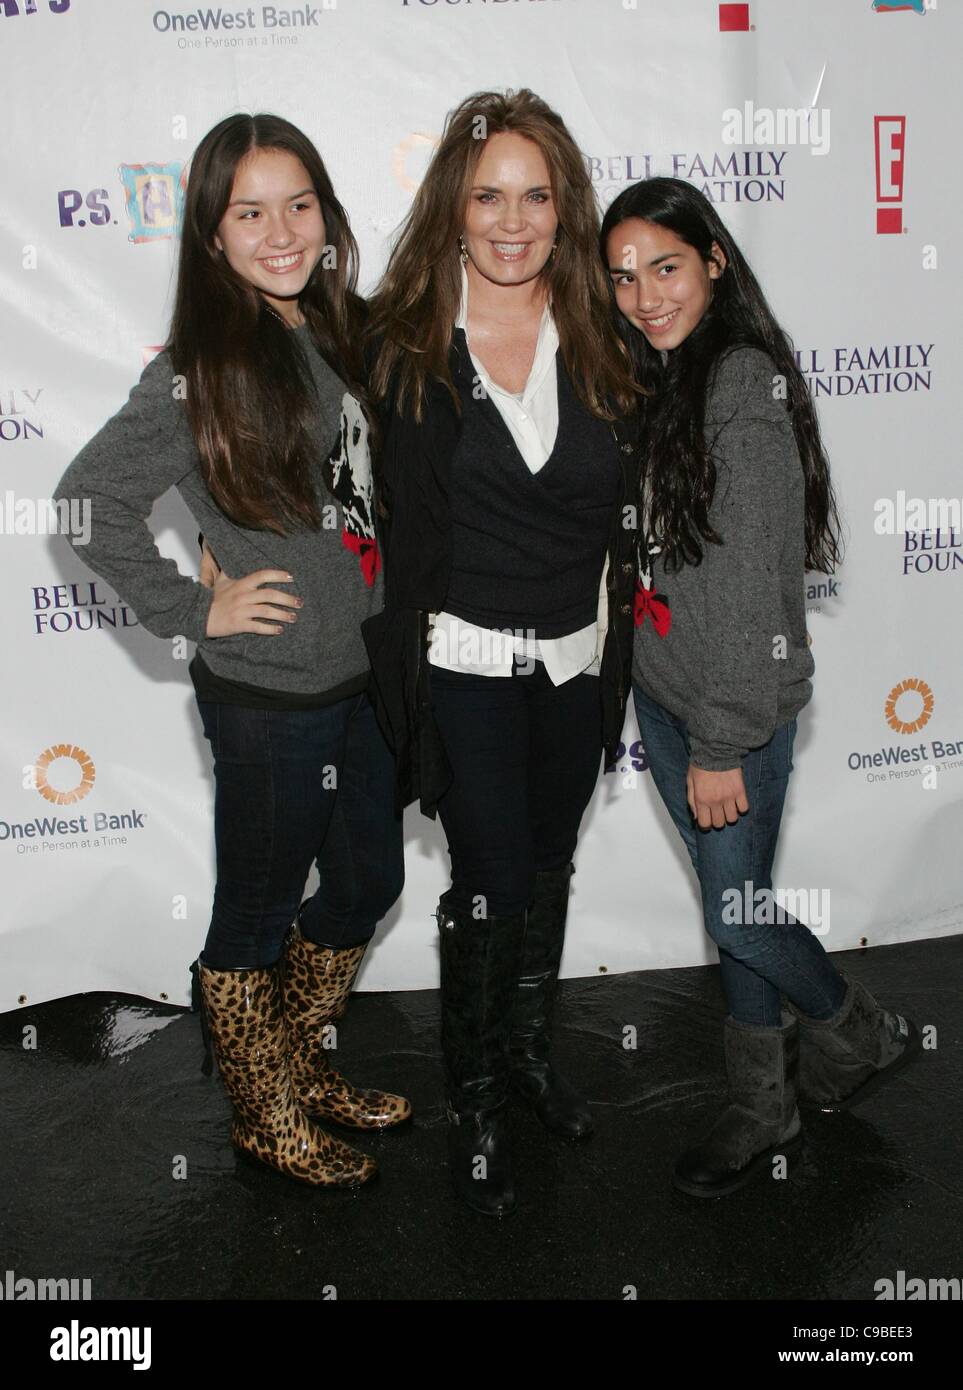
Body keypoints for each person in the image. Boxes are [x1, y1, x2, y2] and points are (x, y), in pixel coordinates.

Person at [53, 113, 408, 1188]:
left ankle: (296, 1059)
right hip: (268, 699)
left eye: (299, 204)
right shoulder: (197, 371)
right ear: (211, 235)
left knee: (365, 882)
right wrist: (187, 607)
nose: (280, 230)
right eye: (248, 212)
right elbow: (83, 503)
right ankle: (261, 1108)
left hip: (362, 677)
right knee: (252, 916)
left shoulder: (337, 328)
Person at [601, 177, 921, 1198]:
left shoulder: (738, 382)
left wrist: (721, 744)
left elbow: (746, 588)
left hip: (724, 712)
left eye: (667, 267)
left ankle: (857, 1031)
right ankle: (764, 1100)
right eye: (623, 276)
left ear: (715, 262)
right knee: (733, 904)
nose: (645, 294)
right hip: (668, 689)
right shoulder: (664, 376)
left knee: (737, 912)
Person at [363, 89, 642, 1216]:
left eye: (536, 196)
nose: (513, 220)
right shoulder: (403, 344)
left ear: (565, 209)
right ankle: (474, 1098)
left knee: (546, 868)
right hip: (465, 666)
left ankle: (528, 1058)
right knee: (485, 881)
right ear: (454, 207)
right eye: (489, 195)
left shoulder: (611, 341)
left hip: (580, 667)